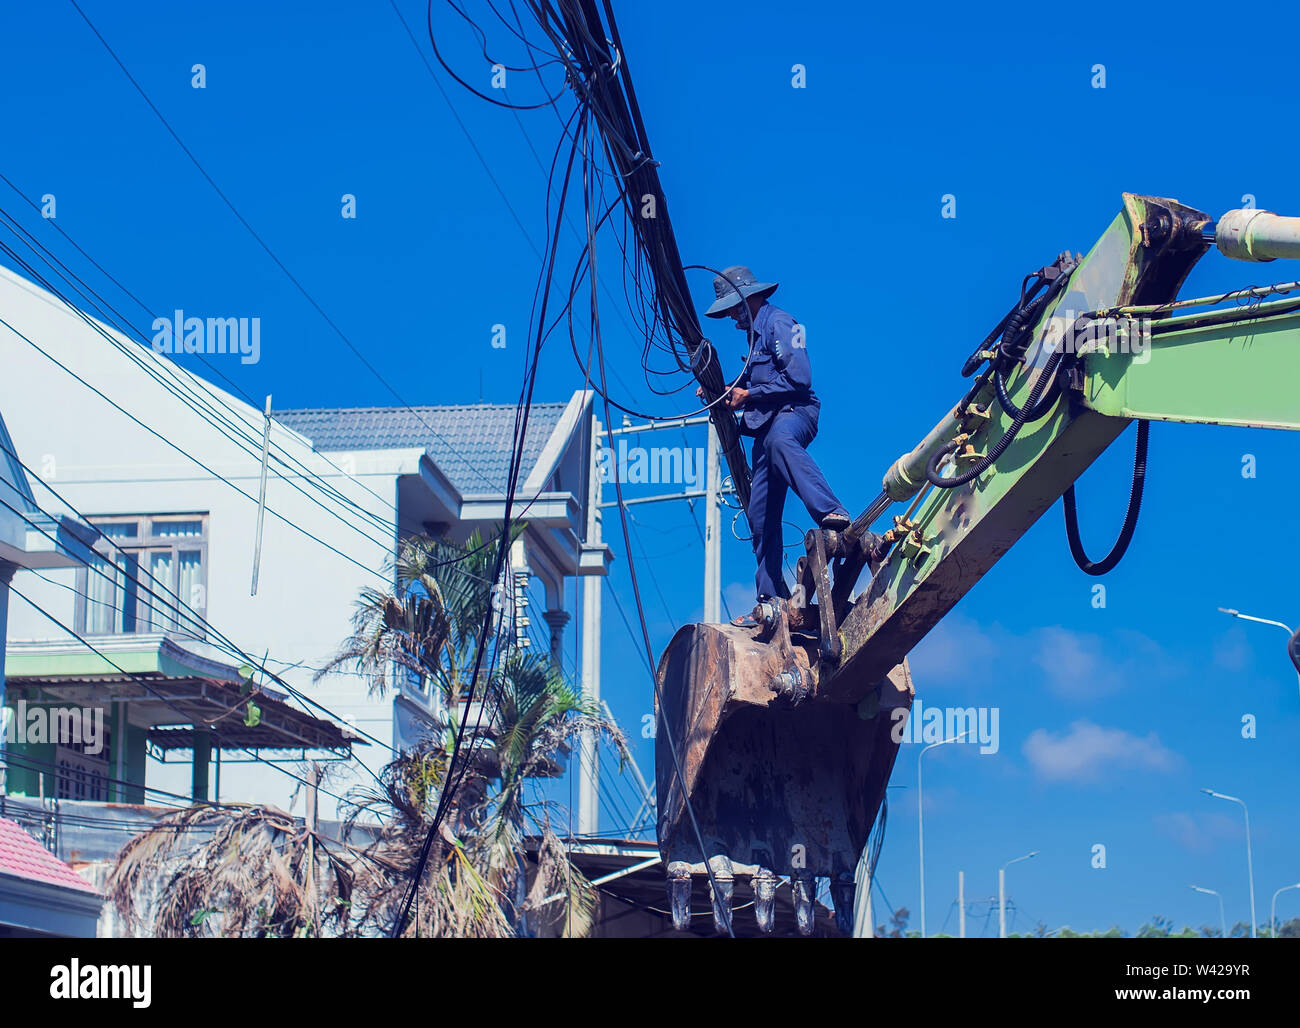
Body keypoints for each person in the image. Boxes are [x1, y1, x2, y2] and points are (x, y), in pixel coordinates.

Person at [699, 265, 850, 622]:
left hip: (794, 412)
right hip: (767, 425)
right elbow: (750, 391)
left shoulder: (781, 323)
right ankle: (772, 598)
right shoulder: (754, 340)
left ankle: (832, 513)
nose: (733, 319)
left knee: (782, 441)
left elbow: (799, 378)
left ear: (748, 300)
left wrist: (747, 394)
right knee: (760, 513)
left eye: (733, 309)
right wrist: (724, 395)